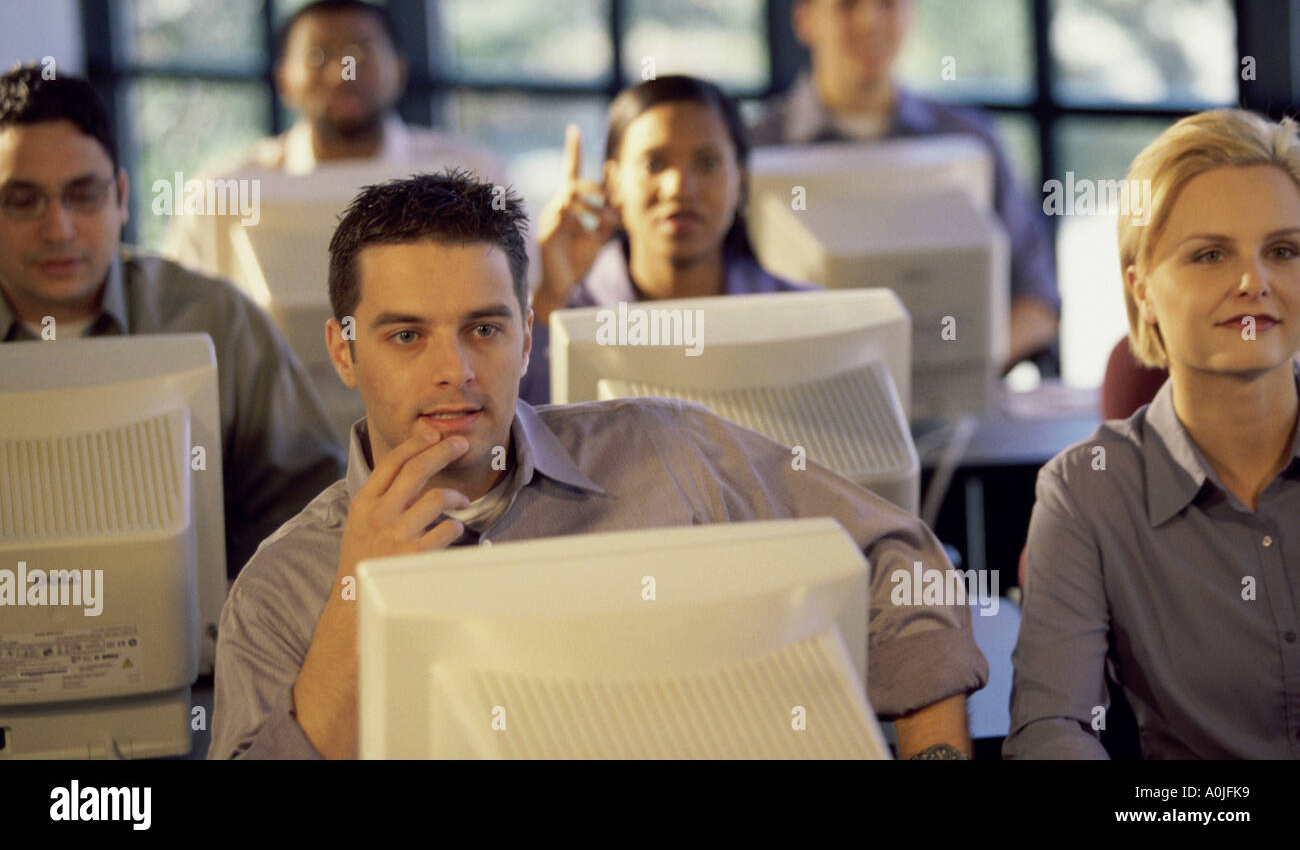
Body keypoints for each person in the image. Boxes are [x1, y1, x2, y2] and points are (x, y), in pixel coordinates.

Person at [208, 169, 989, 760]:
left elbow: (898, 554)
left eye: (483, 327)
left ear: (526, 335)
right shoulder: (282, 588)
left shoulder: (665, 449)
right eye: (406, 336)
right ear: (344, 350)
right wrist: (354, 598)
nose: (455, 369)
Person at [1005, 108, 1300, 759]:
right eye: (1210, 254)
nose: (1254, 282)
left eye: (1283, 250)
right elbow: (1052, 731)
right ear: (1142, 291)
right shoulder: (1086, 493)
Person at [0, 65, 345, 577]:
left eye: (83, 194)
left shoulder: (214, 320)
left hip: (204, 642)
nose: (59, 228)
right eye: (23, 200)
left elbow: (311, 511)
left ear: (120, 196)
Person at [751, 0, 1060, 369]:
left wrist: (961, 368)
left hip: (956, 406)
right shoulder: (755, 148)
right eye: (848, 2)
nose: (870, 21)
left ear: (909, 15)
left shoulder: (968, 141)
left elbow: (1039, 299)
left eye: (888, 1)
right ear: (805, 20)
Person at [522, 74, 807, 404]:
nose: (679, 188)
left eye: (708, 163)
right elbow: (514, 433)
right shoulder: (560, 312)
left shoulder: (806, 318)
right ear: (613, 185)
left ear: (739, 183)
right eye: (653, 163)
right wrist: (551, 299)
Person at [163, 0, 504, 270]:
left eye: (362, 52)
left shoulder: (471, 177)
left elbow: (520, 304)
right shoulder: (222, 191)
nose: (343, 74)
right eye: (317, 55)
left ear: (399, 71)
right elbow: (182, 322)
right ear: (284, 80)